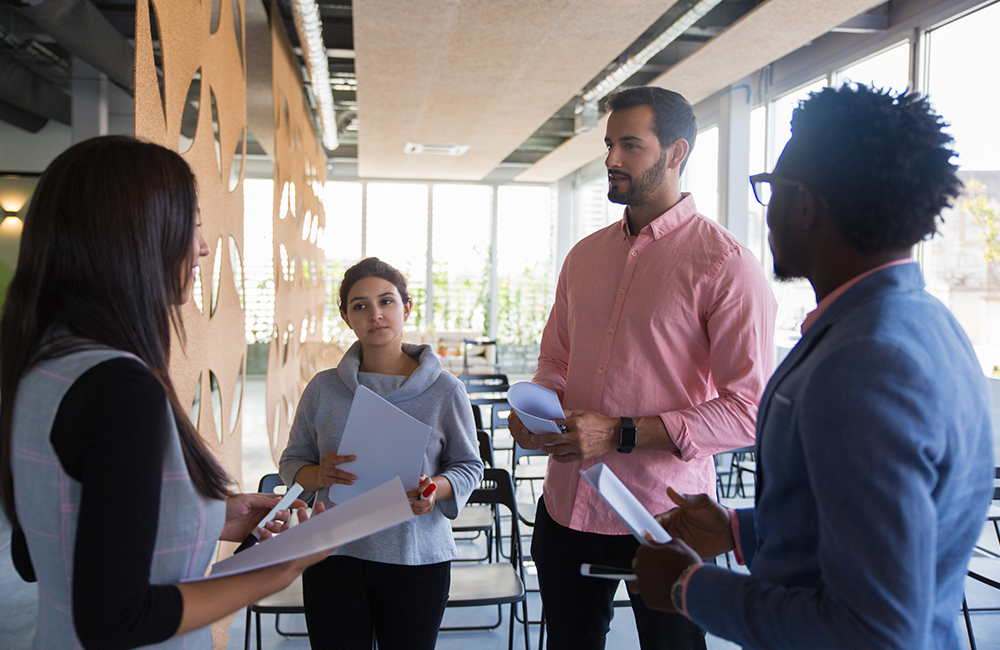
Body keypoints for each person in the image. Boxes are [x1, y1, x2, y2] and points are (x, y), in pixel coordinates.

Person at [631, 85, 994, 650]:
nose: (766, 208)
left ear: (804, 205)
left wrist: (688, 589)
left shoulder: (865, 364)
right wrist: (738, 530)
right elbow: (881, 532)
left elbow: (871, 632)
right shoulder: (923, 323)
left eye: (769, 189)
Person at [0, 136, 330, 650]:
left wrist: (211, 516)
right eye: (193, 224)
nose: (202, 246)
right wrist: (279, 569)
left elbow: (41, 547)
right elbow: (115, 620)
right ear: (136, 233)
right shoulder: (121, 389)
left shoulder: (44, 365)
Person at [508, 86, 776, 649]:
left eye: (630, 145)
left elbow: (749, 410)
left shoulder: (726, 265)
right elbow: (556, 359)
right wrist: (537, 407)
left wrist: (621, 433)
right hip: (566, 507)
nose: (610, 160)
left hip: (661, 517)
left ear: (676, 153)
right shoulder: (584, 256)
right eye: (609, 144)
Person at [279, 256, 484, 650]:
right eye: (360, 306)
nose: (375, 314)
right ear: (345, 317)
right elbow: (292, 462)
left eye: (387, 301)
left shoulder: (445, 390)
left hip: (416, 556)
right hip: (332, 554)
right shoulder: (323, 389)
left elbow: (468, 466)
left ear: (406, 308)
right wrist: (319, 475)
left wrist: (435, 489)